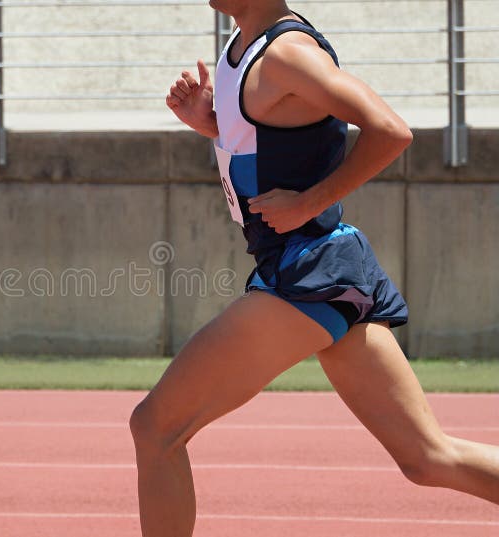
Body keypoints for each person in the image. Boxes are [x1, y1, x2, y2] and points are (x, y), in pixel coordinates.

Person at [129, 1, 499, 535]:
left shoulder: (287, 54)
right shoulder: (243, 48)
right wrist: (209, 124)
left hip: (308, 272)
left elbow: (391, 131)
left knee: (155, 427)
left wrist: (308, 203)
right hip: (320, 268)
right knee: (427, 458)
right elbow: (273, 142)